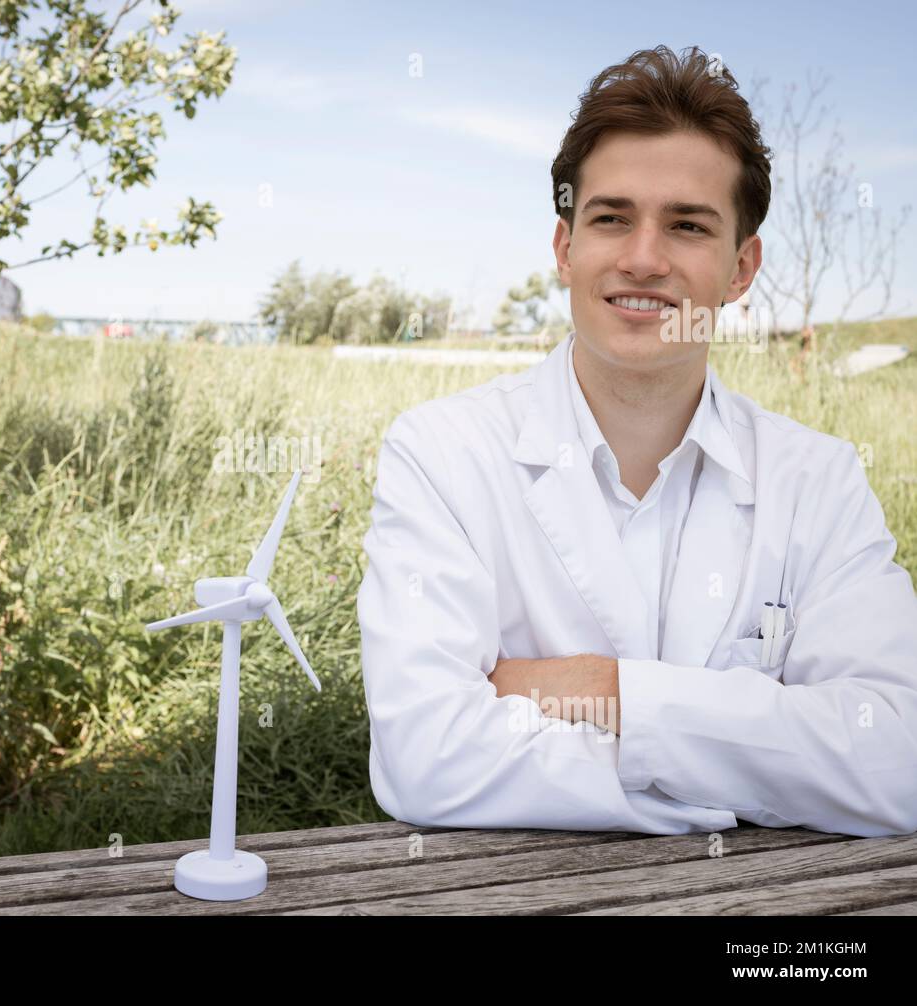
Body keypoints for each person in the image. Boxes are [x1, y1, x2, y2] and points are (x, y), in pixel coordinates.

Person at [357, 45, 917, 836]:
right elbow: (429, 758)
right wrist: (760, 764)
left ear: (740, 268)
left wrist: (600, 688)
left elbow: (895, 758)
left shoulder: (818, 479)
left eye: (688, 226)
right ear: (565, 248)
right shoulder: (442, 454)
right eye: (611, 217)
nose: (644, 259)